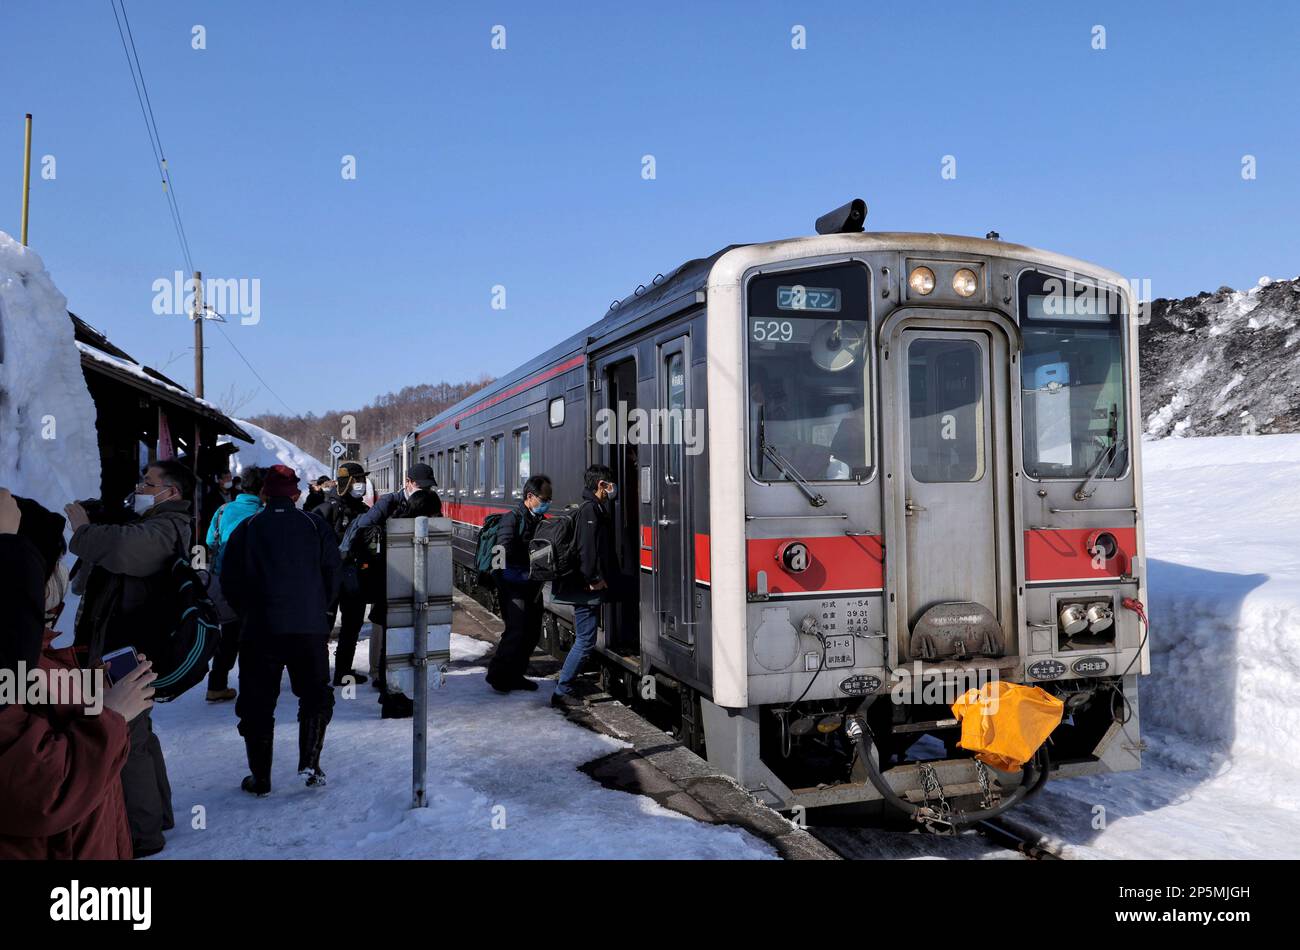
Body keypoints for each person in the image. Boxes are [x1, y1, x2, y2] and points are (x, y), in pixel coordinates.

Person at [0, 488, 156, 860]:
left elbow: (37, 698)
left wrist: (88, 689)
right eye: (54, 563)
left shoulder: (28, 652)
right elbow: (41, 793)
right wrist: (111, 716)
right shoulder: (12, 657)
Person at [65, 460, 193, 858]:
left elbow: (121, 550)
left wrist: (85, 530)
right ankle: (158, 816)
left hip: (128, 651)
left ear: (169, 493)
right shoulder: (150, 522)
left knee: (127, 739)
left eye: (148, 482)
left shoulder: (167, 527)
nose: (139, 485)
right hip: (125, 645)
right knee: (140, 734)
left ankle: (143, 835)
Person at [220, 464, 341, 794]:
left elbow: (229, 580)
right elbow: (333, 573)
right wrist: (320, 612)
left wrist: (248, 613)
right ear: (297, 495)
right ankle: (310, 765)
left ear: (263, 494)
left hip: (260, 630)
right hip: (308, 630)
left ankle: (260, 778)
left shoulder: (246, 528)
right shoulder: (315, 525)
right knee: (315, 696)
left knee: (258, 704)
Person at [339, 462, 441, 718]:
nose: (425, 490)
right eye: (421, 486)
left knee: (396, 639)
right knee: (387, 635)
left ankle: (390, 689)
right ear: (408, 482)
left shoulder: (427, 502)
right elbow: (363, 527)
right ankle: (384, 685)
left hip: (404, 581)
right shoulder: (390, 504)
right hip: (388, 578)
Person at [550, 464, 618, 709]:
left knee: (585, 637)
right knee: (586, 639)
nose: (613, 489)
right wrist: (592, 579)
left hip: (585, 584)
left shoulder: (593, 507)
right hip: (584, 586)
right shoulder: (590, 510)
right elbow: (586, 550)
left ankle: (564, 687)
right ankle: (562, 691)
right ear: (601, 485)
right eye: (610, 484)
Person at [203, 465, 266, 702]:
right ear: (263, 490)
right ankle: (252, 688)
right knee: (253, 637)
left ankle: (216, 684)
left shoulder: (222, 510)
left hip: (223, 584)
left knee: (228, 635)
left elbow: (210, 541)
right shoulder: (263, 514)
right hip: (254, 586)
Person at [485, 475, 553, 694]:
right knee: (516, 630)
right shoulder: (511, 520)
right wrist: (508, 584)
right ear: (530, 496)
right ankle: (497, 675)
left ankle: (516, 674)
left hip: (532, 585)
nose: (547, 502)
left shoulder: (538, 520)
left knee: (532, 632)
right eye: (544, 498)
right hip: (513, 586)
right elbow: (499, 555)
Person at [317, 462, 371, 685]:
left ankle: (342, 672)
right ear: (347, 482)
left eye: (361, 480)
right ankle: (319, 672)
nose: (361, 484)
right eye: (357, 480)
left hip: (354, 577)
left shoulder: (362, 510)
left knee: (351, 627)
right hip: (330, 578)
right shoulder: (325, 510)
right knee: (323, 628)